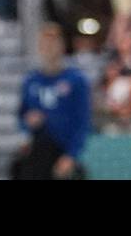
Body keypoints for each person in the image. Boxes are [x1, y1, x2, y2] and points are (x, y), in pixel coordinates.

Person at [11, 24, 90, 180]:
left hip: (63, 149)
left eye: (54, 43)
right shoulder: (31, 81)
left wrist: (71, 155)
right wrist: (28, 124)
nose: (50, 48)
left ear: (62, 46)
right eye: (45, 44)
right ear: (40, 47)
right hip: (38, 150)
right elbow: (21, 116)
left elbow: (83, 121)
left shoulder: (75, 80)